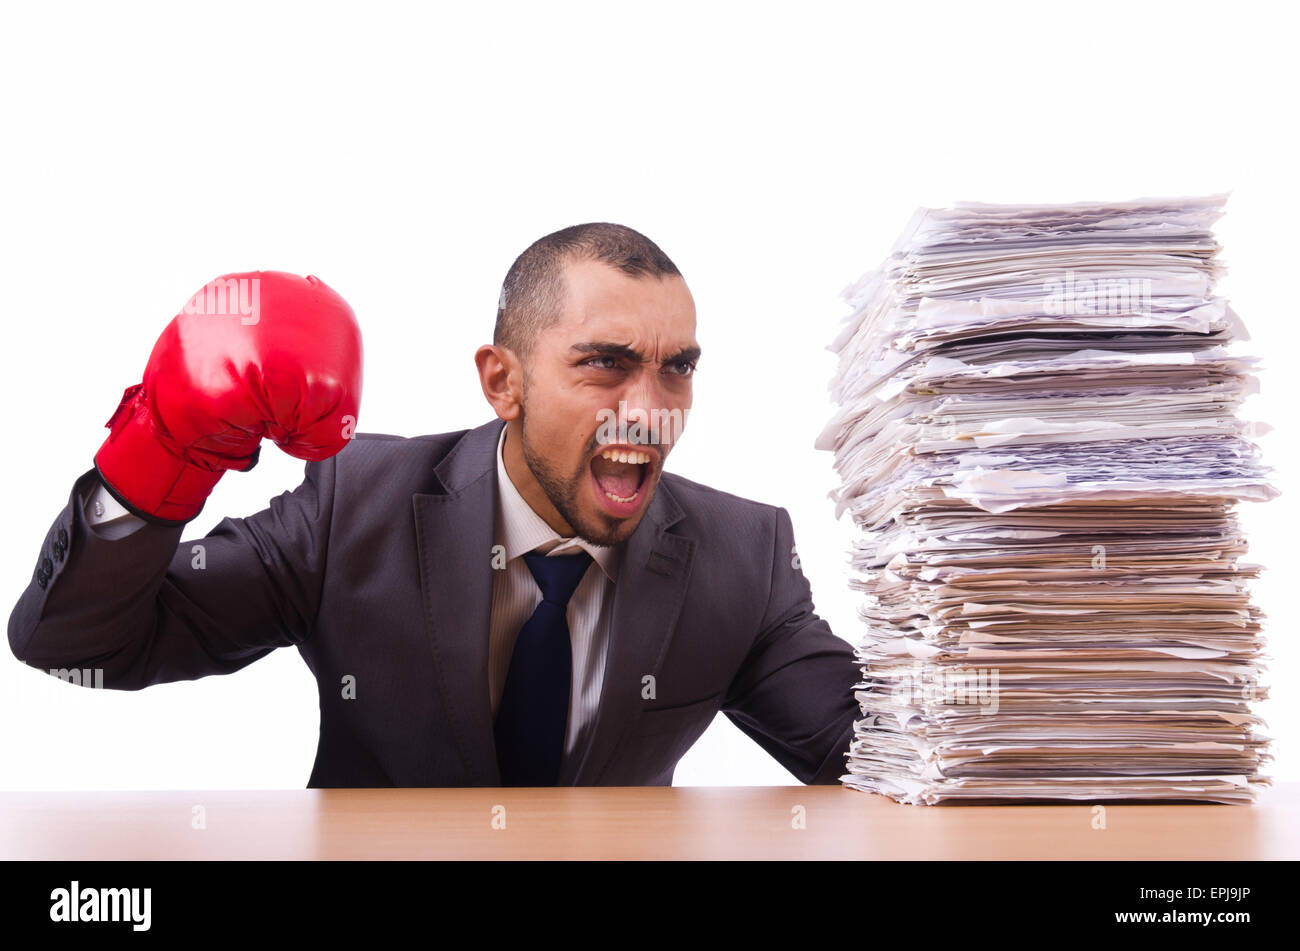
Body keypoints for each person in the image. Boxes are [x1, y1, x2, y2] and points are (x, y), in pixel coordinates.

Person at [8, 222, 859, 787]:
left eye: (679, 366)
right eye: (605, 363)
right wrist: (158, 454)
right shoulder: (357, 506)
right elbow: (79, 644)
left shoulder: (741, 552)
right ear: (502, 381)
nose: (652, 406)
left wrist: (980, 553)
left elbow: (878, 753)